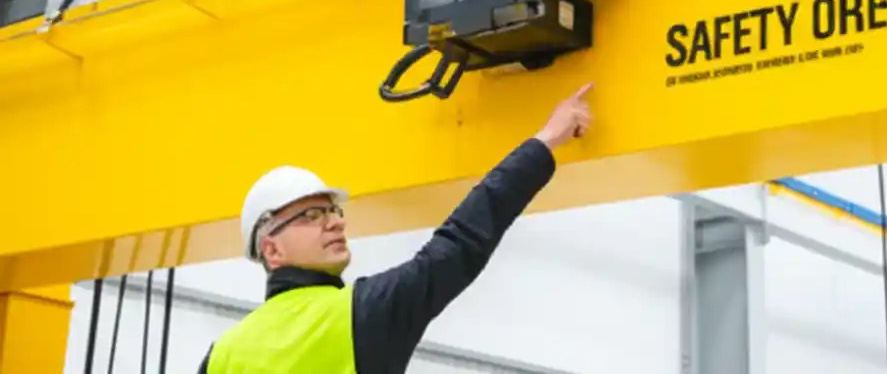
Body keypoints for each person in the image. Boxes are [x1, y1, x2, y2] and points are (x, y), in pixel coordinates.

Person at [197, 83, 594, 373]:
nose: (335, 221)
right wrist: (545, 141)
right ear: (272, 250)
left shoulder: (222, 357)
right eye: (312, 216)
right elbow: (460, 243)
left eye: (332, 210)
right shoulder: (361, 313)